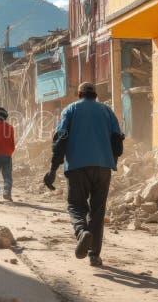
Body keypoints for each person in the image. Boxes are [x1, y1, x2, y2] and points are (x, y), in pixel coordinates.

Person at [44, 82, 124, 267]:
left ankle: (81, 232)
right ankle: (94, 255)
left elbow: (60, 140)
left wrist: (53, 169)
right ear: (95, 95)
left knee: (75, 206)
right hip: (103, 167)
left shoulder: (70, 110)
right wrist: (109, 160)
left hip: (77, 167)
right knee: (97, 211)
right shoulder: (108, 112)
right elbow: (118, 146)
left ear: (79, 94)